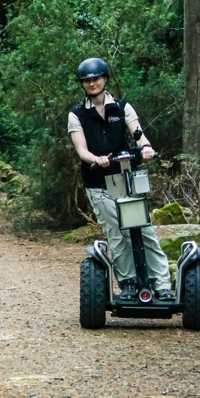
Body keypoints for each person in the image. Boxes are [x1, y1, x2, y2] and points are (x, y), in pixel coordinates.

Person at [67, 57, 173, 302]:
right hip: (99, 182)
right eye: (87, 80)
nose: (92, 83)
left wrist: (145, 148)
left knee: (144, 230)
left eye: (96, 78)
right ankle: (127, 283)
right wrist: (97, 158)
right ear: (82, 84)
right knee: (116, 234)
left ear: (105, 79)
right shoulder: (77, 115)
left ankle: (162, 284)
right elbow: (81, 150)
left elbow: (138, 134)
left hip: (127, 176)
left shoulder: (122, 107)